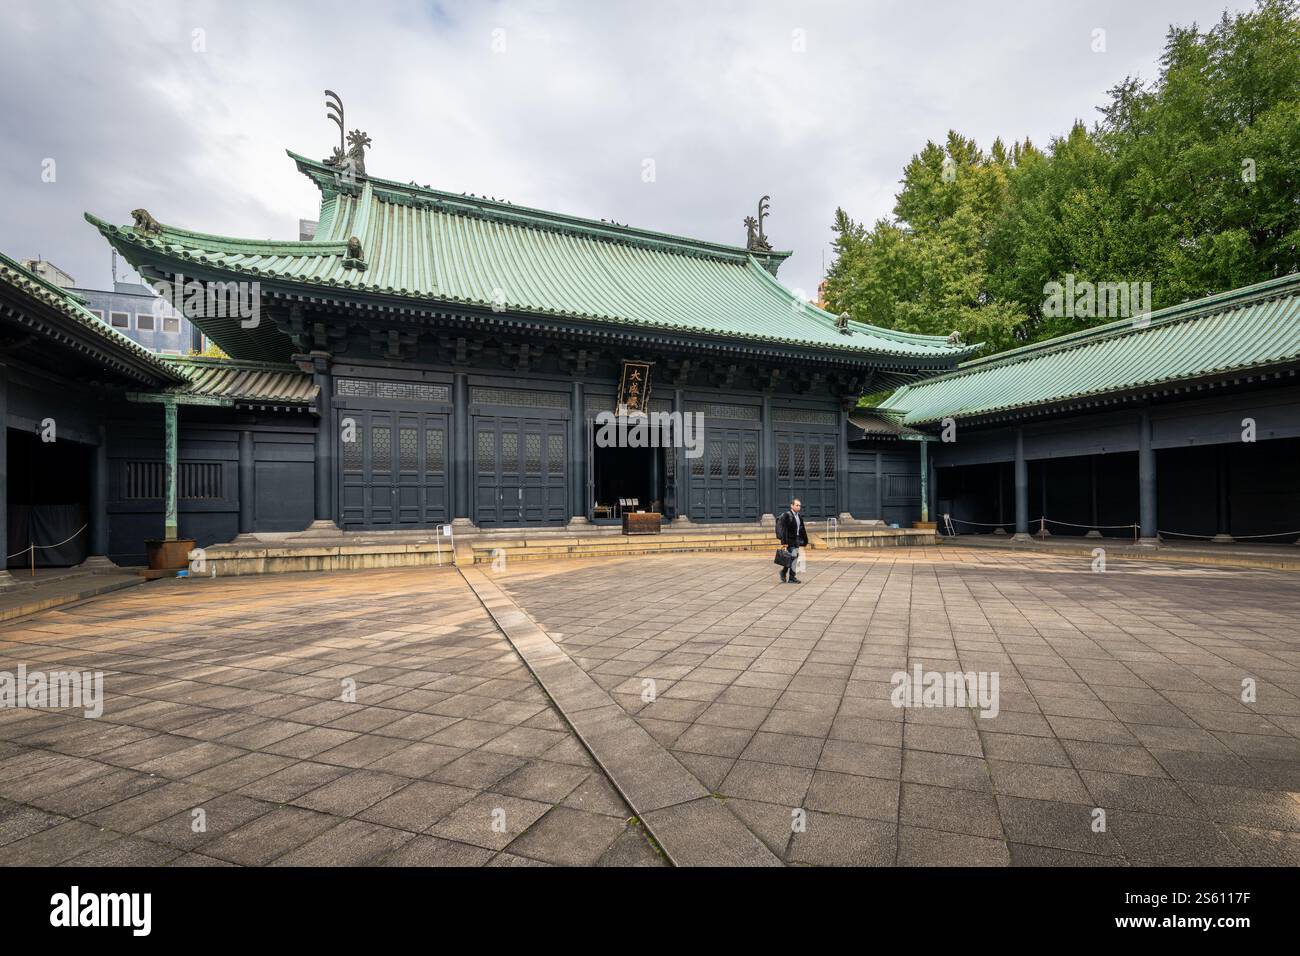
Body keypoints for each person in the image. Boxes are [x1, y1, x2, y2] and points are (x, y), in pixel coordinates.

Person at [775, 498, 808, 584]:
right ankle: (791, 578)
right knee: (794, 557)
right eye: (797, 505)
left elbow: (802, 529)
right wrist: (784, 542)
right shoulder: (787, 515)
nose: (798, 507)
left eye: (799, 505)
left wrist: (805, 540)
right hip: (789, 540)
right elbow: (784, 530)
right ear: (792, 506)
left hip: (796, 540)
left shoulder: (799, 516)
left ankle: (783, 572)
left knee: (791, 558)